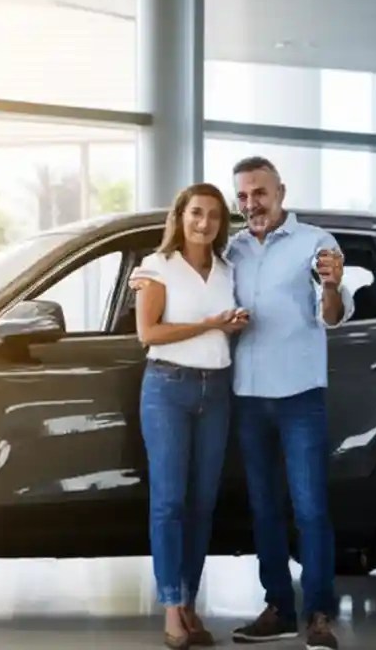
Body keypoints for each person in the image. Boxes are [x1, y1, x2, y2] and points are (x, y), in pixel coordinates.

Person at [225, 157, 354, 650]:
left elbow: (334, 317)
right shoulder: (232, 249)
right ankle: (278, 606)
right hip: (248, 396)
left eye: (259, 193)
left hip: (300, 395)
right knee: (264, 509)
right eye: (242, 196)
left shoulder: (316, 243)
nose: (251, 204)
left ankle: (319, 613)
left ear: (280, 190)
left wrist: (330, 286)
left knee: (311, 509)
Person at [129, 182, 249, 649]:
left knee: (202, 504)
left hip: (216, 390)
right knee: (169, 502)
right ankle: (171, 610)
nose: (204, 223)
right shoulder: (156, 268)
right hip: (168, 389)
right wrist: (210, 323)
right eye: (196, 213)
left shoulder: (226, 269)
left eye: (214, 216)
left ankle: (191, 603)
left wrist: (234, 324)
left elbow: (226, 329)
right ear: (180, 216)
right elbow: (148, 333)